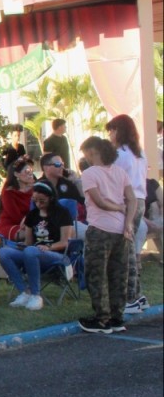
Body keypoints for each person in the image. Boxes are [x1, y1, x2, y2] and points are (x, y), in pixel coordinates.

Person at [77, 136, 135, 334]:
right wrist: (128, 222)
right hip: (121, 230)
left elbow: (99, 201)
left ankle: (102, 319)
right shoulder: (120, 172)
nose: (86, 158)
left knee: (97, 274)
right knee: (118, 274)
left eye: (86, 154)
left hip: (100, 228)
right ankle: (117, 317)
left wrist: (117, 207)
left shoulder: (89, 174)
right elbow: (132, 199)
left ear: (92, 152)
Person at [0, 182, 75, 311]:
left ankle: (36, 295)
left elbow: (65, 242)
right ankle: (24, 291)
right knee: (4, 253)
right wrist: (20, 246)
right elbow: (29, 242)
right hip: (33, 252)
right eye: (35, 200)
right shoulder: (32, 215)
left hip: (57, 255)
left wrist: (48, 247)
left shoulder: (62, 213)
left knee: (31, 251)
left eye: (42, 201)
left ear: (51, 198)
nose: (38, 204)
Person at [106, 115, 148, 315]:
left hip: (127, 202)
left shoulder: (120, 154)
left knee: (126, 252)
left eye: (112, 130)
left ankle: (130, 297)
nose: (110, 135)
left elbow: (115, 180)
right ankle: (138, 295)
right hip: (140, 201)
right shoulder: (139, 152)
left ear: (119, 131)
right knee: (129, 248)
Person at [0, 157, 36, 241]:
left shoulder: (35, 188)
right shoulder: (9, 192)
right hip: (12, 224)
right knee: (31, 232)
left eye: (31, 171)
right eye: (27, 172)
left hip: (32, 222)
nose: (30, 174)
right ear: (16, 174)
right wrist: (30, 221)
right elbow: (15, 216)